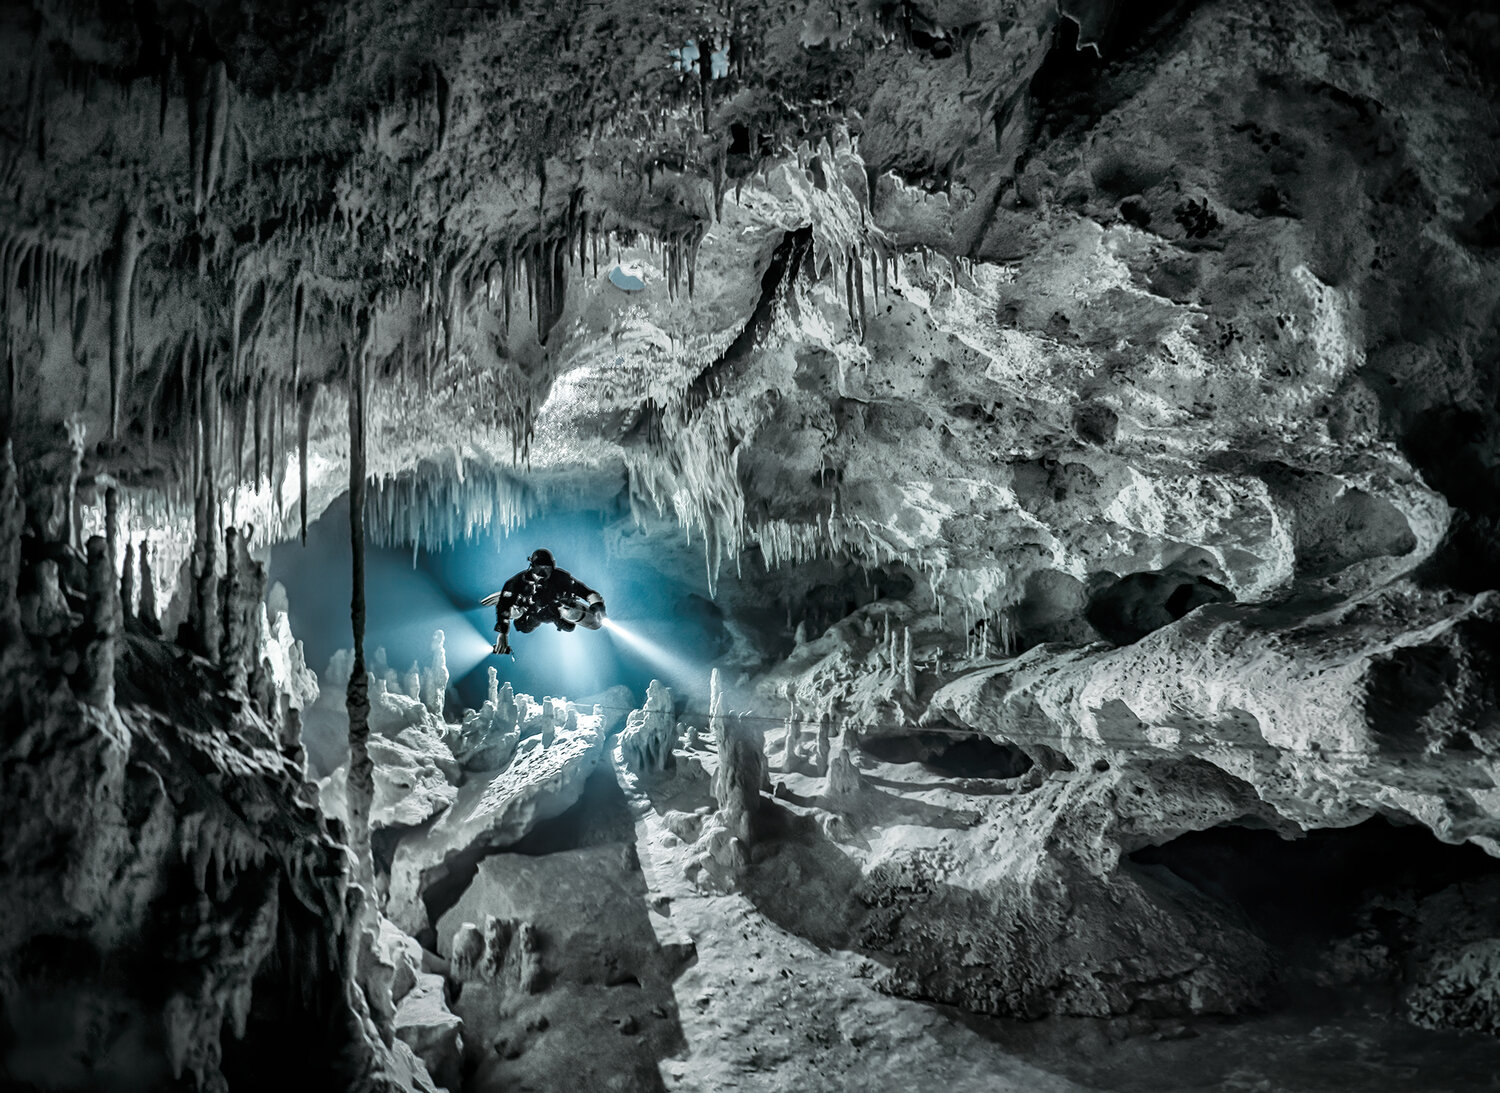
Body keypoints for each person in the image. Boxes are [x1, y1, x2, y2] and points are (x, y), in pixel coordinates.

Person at [483, 548, 605, 655]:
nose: (542, 574)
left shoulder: (560, 578)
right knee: (517, 616)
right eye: (538, 569)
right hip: (529, 613)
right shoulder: (517, 582)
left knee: (571, 616)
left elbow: (586, 592)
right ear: (531, 567)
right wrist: (503, 634)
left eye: (546, 569)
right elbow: (504, 607)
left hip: (554, 611)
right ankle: (516, 602)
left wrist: (598, 609)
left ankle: (563, 612)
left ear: (552, 567)